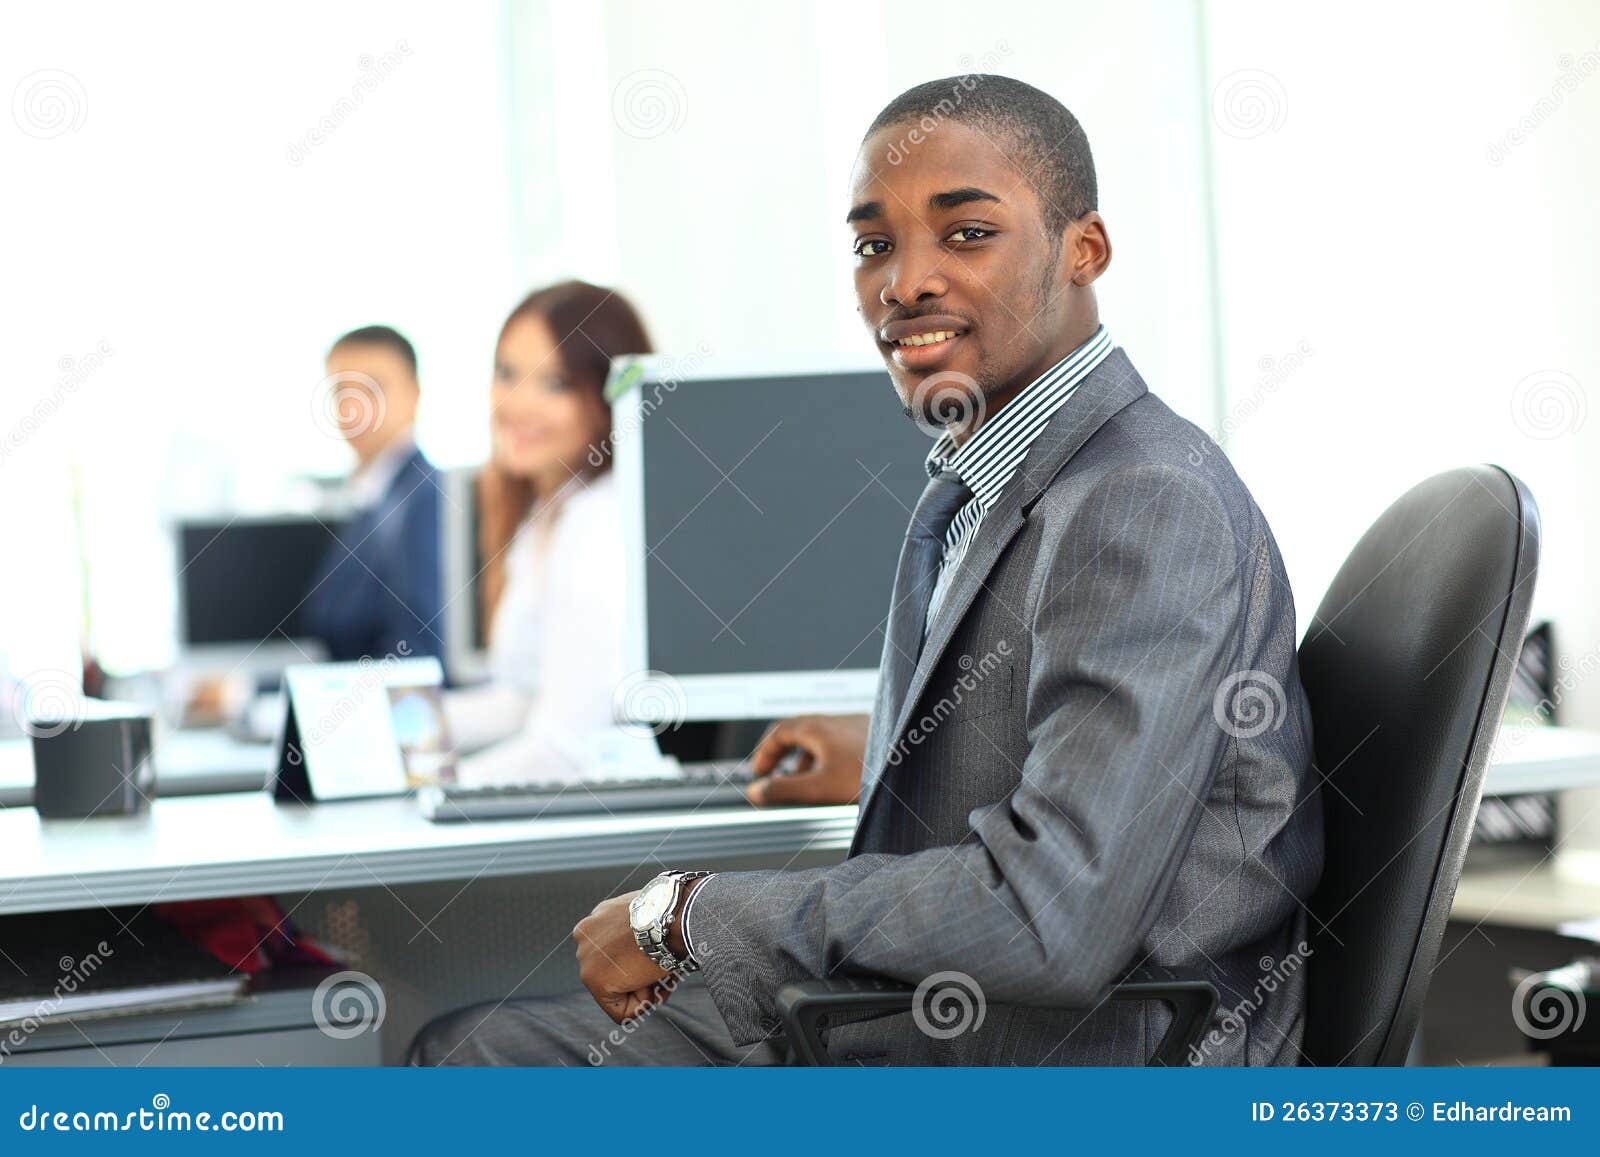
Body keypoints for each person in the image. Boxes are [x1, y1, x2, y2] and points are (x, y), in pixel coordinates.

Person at [411, 75, 1323, 1066]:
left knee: (476, 1058)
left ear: (1084, 249)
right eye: (873, 245)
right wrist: (898, 748)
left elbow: (1052, 909)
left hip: (1083, 1057)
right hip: (962, 1023)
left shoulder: (1141, 497)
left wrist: (689, 913)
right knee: (473, 1038)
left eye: (966, 233)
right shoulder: (989, 483)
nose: (904, 281)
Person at [444, 282, 652, 781]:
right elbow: (521, 701)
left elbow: (564, 749)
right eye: (507, 373)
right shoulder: (548, 512)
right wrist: (393, 725)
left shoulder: (597, 521)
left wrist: (431, 791)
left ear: (608, 398)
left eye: (555, 383)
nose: (516, 404)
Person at [303, 325, 444, 665]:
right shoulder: (373, 496)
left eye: (373, 389)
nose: (354, 408)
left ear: (414, 394)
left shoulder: (425, 500)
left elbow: (416, 655)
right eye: (341, 392)